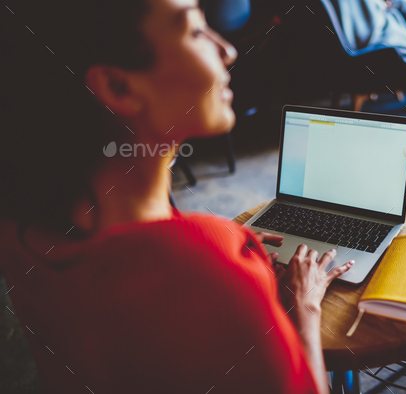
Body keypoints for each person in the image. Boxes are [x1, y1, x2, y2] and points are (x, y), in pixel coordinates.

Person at [0, 0, 353, 393]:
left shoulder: (18, 230)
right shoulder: (215, 264)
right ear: (119, 86)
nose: (228, 50)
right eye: (196, 30)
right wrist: (303, 305)